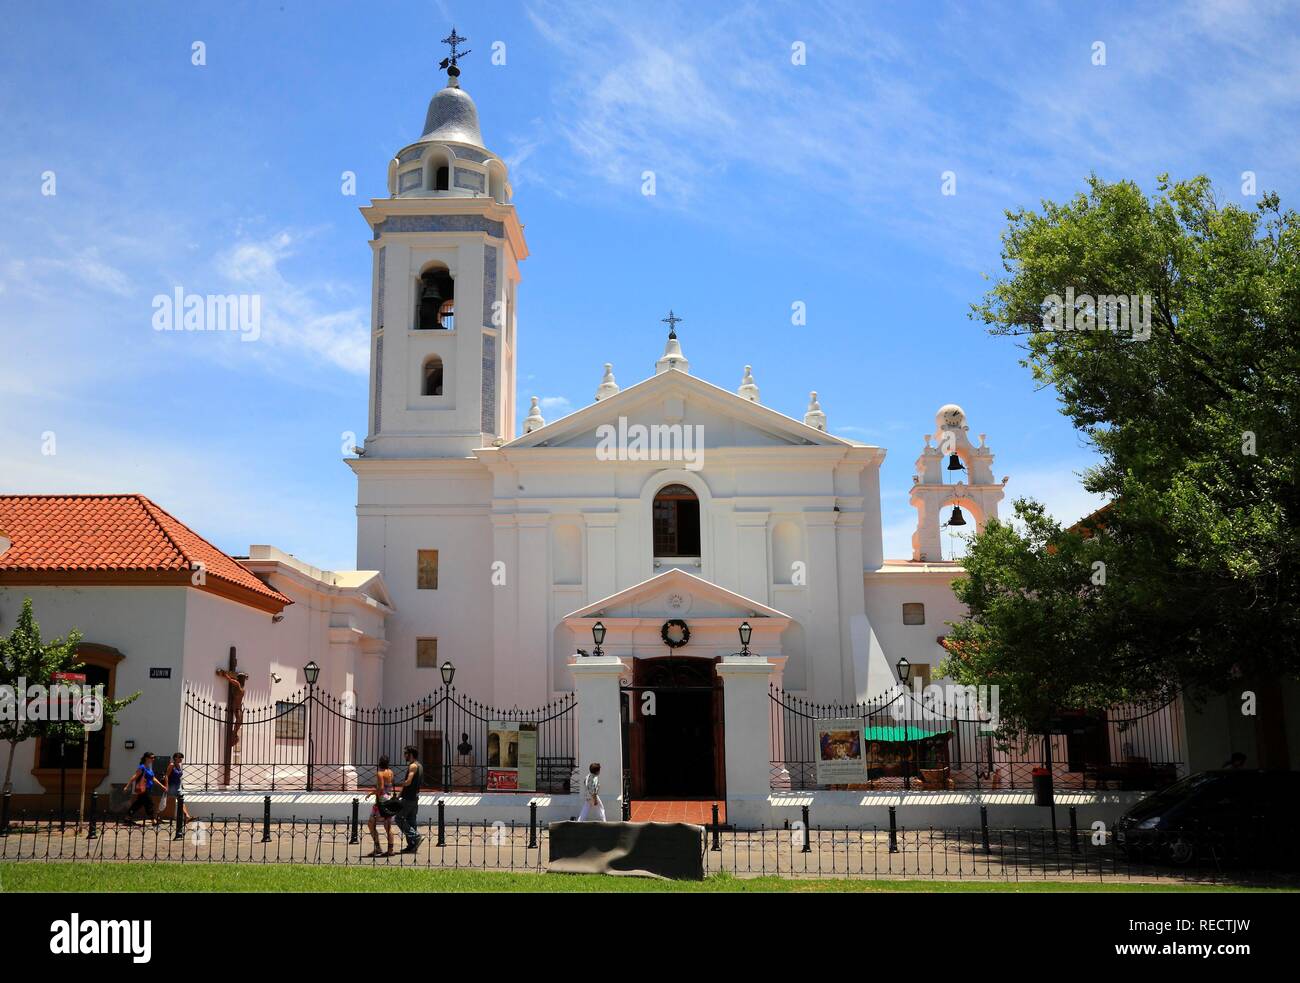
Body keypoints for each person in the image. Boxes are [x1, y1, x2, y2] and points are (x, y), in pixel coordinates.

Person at [392, 745, 423, 853]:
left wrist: (402, 784)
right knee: (411, 821)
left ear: (410, 754)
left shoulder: (413, 766)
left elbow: (408, 781)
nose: (404, 755)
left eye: (406, 753)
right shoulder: (419, 765)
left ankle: (416, 836)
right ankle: (412, 846)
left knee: (399, 818)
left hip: (408, 798)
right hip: (414, 798)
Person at [366, 754, 396, 857]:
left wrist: (372, 793)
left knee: (371, 824)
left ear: (379, 763)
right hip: (389, 799)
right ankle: (390, 849)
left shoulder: (380, 773)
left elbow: (381, 788)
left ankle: (378, 848)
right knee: (388, 826)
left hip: (381, 801)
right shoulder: (391, 772)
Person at [124, 752, 160, 825]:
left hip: (148, 788)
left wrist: (162, 786)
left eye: (154, 758)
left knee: (138, 803)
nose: (153, 759)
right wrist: (127, 786)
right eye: (152, 758)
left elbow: (153, 778)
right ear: (146, 758)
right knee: (149, 803)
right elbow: (135, 776)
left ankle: (127, 817)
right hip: (144, 789)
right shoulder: (142, 767)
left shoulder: (149, 767)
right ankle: (153, 820)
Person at [159, 752, 192, 823]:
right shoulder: (172, 765)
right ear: (175, 758)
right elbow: (166, 776)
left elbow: (178, 776)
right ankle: (157, 815)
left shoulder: (178, 766)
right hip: (171, 786)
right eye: (180, 757)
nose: (181, 759)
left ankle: (186, 816)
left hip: (177, 786)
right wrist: (166, 786)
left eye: (181, 758)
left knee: (181, 800)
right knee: (165, 802)